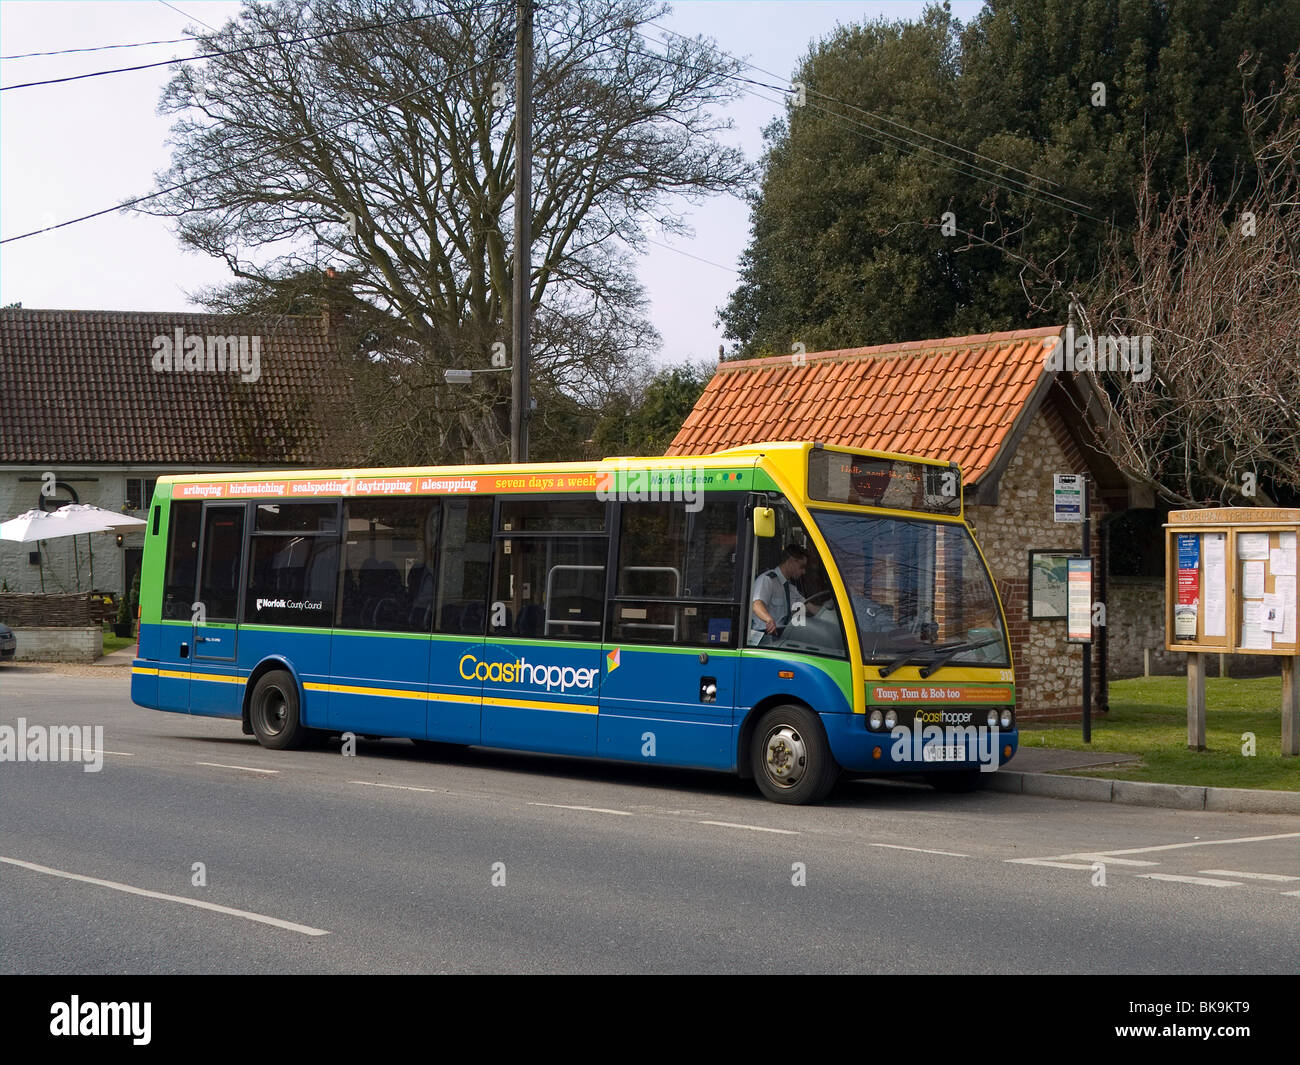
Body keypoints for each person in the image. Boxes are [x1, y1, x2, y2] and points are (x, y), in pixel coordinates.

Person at [750, 544, 821, 645]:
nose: (804, 572)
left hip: (780, 637)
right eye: (802, 567)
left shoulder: (791, 589)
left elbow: (809, 606)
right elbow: (756, 604)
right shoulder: (767, 580)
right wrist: (768, 619)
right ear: (791, 561)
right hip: (764, 637)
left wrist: (827, 613)